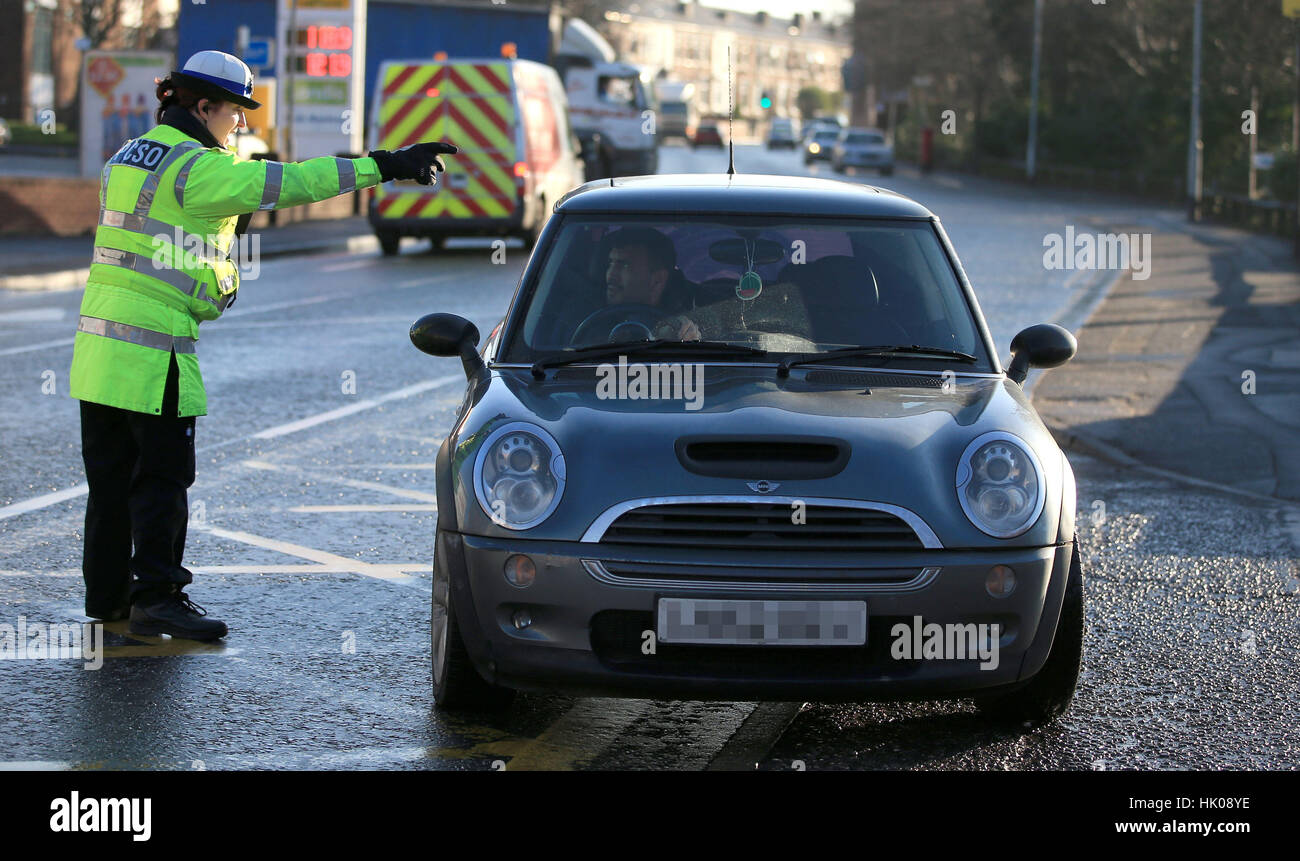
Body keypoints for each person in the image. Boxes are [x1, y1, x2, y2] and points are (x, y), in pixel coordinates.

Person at [70, 50, 458, 641]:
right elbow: (295, 182)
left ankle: (109, 600)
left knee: (110, 481)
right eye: (235, 113)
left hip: (99, 351)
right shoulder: (197, 167)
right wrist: (387, 164)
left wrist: (227, 224)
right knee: (164, 480)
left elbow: (165, 230)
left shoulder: (129, 156)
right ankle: (160, 596)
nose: (241, 125)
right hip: (155, 351)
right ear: (203, 107)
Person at [603, 227, 700, 340]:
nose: (610, 275)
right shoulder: (585, 320)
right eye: (611, 263)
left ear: (657, 281)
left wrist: (685, 342)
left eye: (624, 265)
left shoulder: (685, 327)